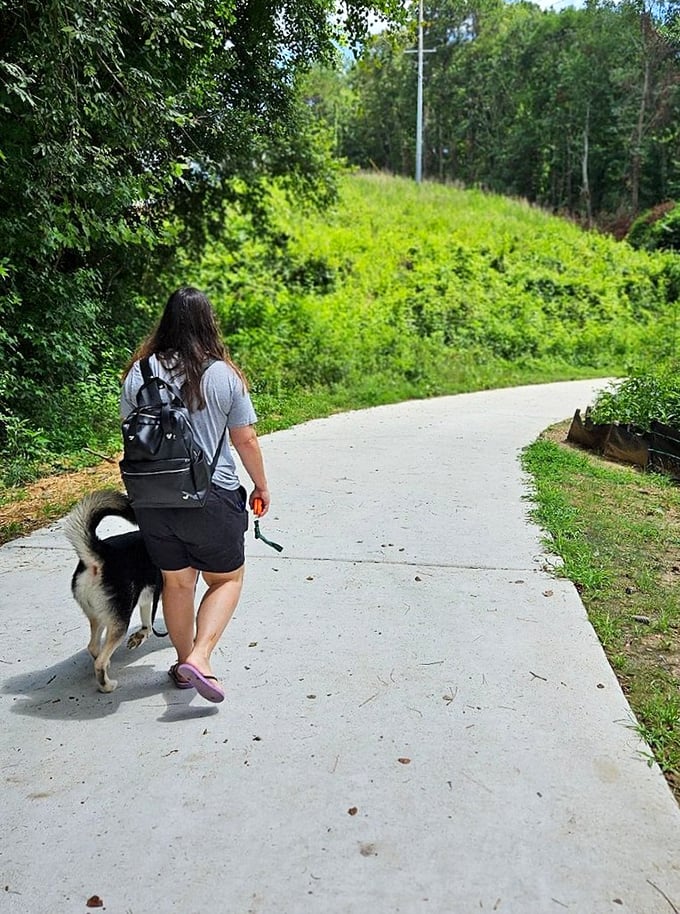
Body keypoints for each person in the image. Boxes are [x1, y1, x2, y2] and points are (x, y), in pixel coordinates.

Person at [120, 286, 270, 703]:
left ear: (165, 322)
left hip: (154, 500)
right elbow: (246, 440)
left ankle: (184, 664)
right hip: (212, 496)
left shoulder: (139, 372)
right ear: (209, 323)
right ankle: (201, 657)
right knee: (226, 579)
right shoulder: (222, 374)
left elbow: (131, 431)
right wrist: (260, 485)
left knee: (177, 584)